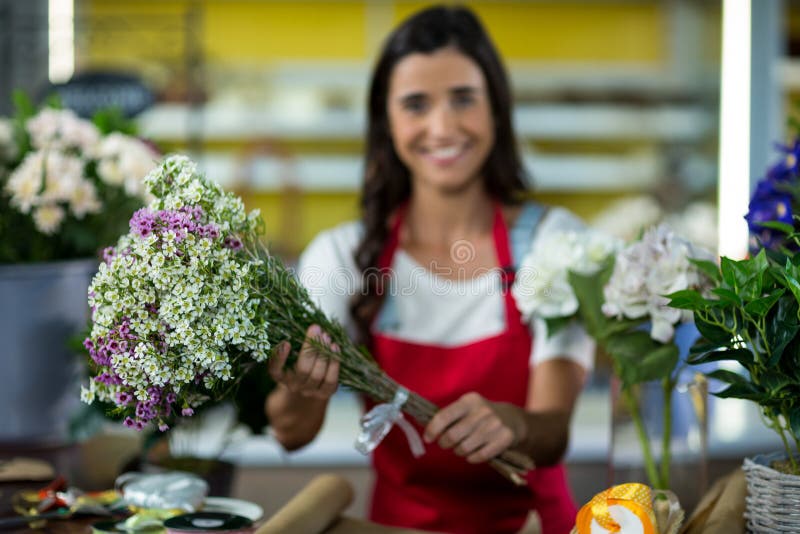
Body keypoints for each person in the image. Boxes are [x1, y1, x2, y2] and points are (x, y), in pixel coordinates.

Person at [265, 5, 593, 533]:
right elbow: (291, 434)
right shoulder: (344, 257)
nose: (442, 126)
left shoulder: (554, 245)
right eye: (416, 104)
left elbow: (554, 432)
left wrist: (515, 424)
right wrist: (302, 386)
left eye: (463, 99)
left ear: (496, 109)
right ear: (387, 122)